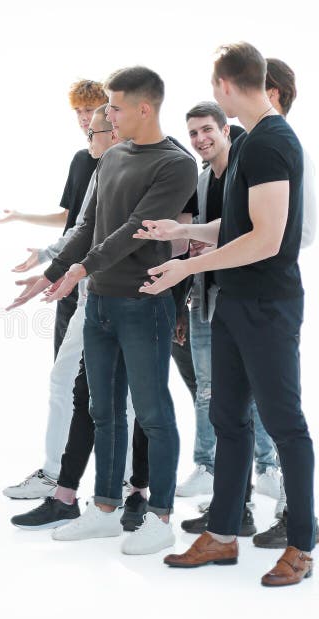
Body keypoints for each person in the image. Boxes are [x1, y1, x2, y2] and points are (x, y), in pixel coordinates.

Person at [138, 43, 314, 587]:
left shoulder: (271, 142)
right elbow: (238, 226)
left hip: (266, 305)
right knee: (228, 420)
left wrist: (188, 270)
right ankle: (221, 534)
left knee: (284, 423)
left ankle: (301, 545)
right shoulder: (248, 144)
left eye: (214, 86)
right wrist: (183, 232)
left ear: (226, 85)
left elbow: (267, 238)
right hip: (236, 304)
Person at [10, 67, 197, 555]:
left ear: (143, 108)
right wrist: (53, 271)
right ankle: (105, 510)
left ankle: (159, 516)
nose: (105, 116)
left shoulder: (175, 164)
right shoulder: (111, 156)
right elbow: (87, 223)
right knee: (103, 408)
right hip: (100, 306)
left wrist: (81, 269)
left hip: (143, 305)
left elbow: (136, 227)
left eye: (113, 107)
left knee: (153, 411)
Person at [175, 104, 277, 540]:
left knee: (245, 395)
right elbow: (202, 235)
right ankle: (232, 500)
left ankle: (267, 470)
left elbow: (253, 230)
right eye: (193, 132)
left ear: (225, 129)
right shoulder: (201, 180)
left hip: (241, 298)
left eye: (206, 130)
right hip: (205, 294)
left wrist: (209, 243)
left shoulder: (244, 168)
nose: (200, 139)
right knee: (211, 392)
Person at [0, 79, 108, 360]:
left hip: (96, 271)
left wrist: (46, 256)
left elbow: (92, 226)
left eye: (89, 109)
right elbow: (70, 219)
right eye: (77, 111)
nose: (83, 117)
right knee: (64, 361)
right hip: (66, 268)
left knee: (95, 367)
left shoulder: (118, 158)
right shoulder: (81, 160)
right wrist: (20, 217)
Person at [252, 56, 319, 550]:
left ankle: (298, 519)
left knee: (283, 413)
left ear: (272, 93)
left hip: (272, 297)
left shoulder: (285, 150)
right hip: (253, 297)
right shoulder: (258, 147)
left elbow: (303, 232)